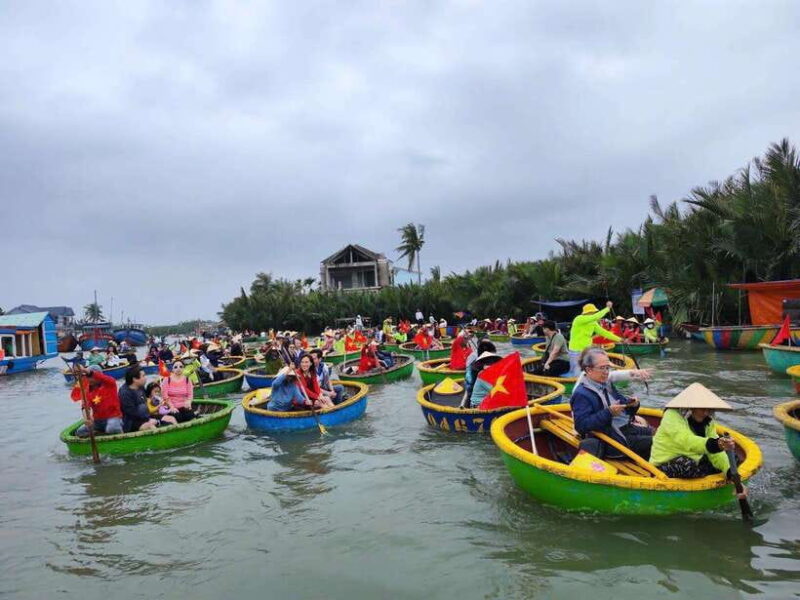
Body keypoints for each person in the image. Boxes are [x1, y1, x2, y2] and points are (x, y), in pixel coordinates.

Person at [569, 347, 653, 460]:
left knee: (658, 435)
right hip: (612, 440)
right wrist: (608, 413)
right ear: (588, 370)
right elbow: (581, 426)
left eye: (607, 367)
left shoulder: (605, 383)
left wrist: (632, 404)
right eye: (602, 368)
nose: (606, 372)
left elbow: (623, 406)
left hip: (624, 428)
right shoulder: (581, 394)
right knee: (656, 443)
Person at [650, 383, 741, 483]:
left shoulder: (707, 421)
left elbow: (714, 453)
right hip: (664, 466)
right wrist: (716, 444)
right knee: (688, 466)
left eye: (709, 410)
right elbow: (687, 441)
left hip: (694, 460)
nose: (706, 413)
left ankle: (708, 476)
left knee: (733, 459)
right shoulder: (672, 416)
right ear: (691, 407)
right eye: (702, 409)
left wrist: (729, 471)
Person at [568, 302, 622, 374]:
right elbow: (595, 317)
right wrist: (607, 308)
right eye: (593, 312)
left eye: (594, 312)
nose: (594, 313)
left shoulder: (593, 322)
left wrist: (619, 339)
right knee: (576, 371)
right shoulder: (579, 319)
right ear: (588, 313)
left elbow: (604, 332)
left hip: (587, 349)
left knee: (589, 368)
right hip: (576, 350)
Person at [119, 366, 177, 432]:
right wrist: (148, 420)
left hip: (146, 416)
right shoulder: (125, 393)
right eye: (143, 376)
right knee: (150, 426)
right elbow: (131, 413)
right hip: (131, 422)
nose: (145, 378)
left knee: (171, 419)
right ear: (135, 379)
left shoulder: (140, 387)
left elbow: (148, 398)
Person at [72, 365, 123, 436]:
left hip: (114, 418)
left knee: (111, 428)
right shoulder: (86, 391)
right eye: (88, 377)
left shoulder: (110, 384)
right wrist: (87, 418)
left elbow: (99, 376)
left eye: (91, 377)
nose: (89, 379)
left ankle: (118, 435)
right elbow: (85, 407)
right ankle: (100, 434)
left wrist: (84, 370)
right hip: (98, 421)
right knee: (80, 432)